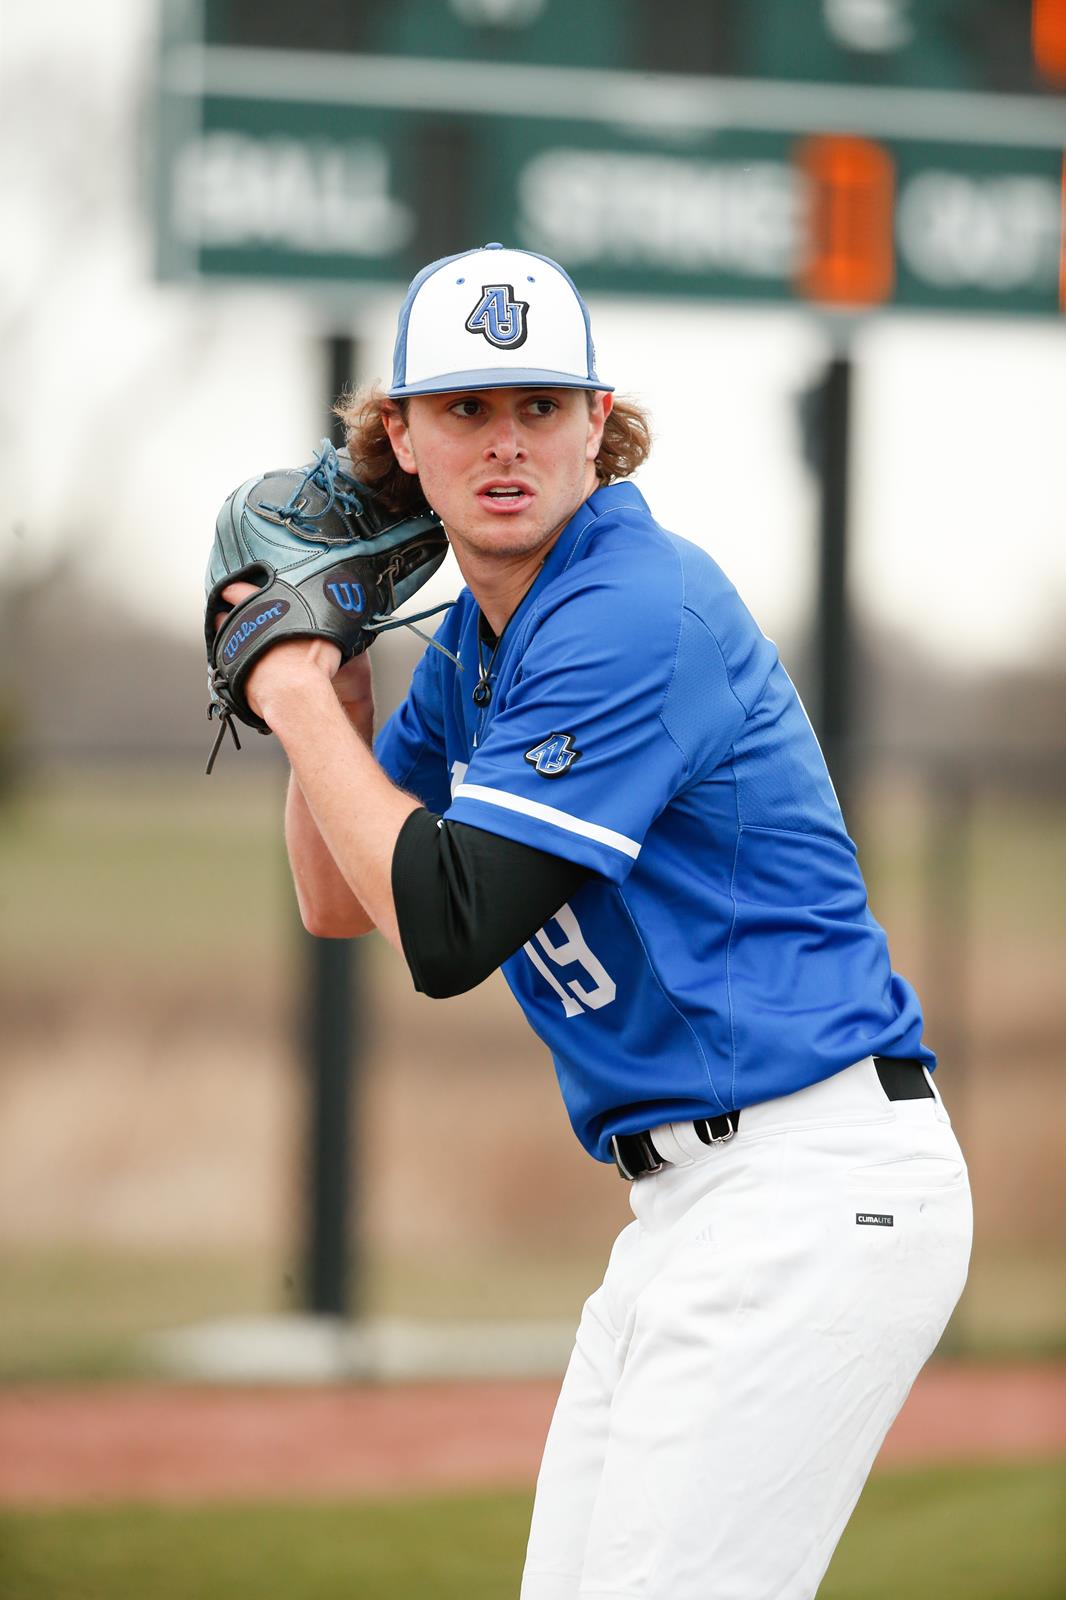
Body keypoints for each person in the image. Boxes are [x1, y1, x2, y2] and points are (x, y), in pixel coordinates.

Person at [223, 243, 972, 1600]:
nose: (503, 443)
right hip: (695, 1209)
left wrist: (274, 681)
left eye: (538, 406)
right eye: (462, 409)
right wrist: (324, 680)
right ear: (399, 437)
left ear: (596, 428)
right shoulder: (474, 647)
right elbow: (341, 899)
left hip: (809, 1191)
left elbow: (447, 931)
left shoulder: (626, 610)